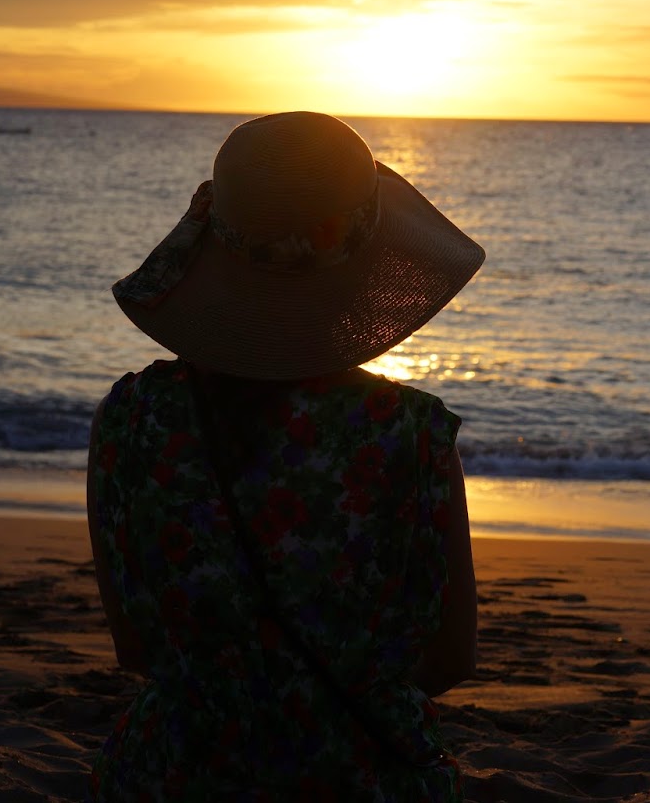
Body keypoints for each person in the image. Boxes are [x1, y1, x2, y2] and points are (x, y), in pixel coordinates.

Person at [85, 111, 485, 801]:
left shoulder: (130, 420)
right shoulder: (410, 436)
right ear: (368, 252)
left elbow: (137, 650)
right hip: (363, 776)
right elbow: (447, 660)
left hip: (172, 775)